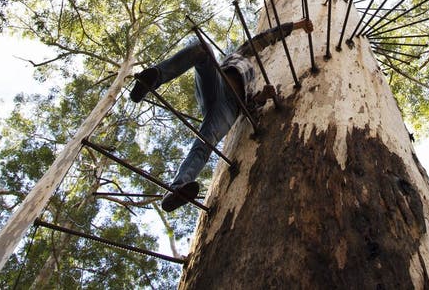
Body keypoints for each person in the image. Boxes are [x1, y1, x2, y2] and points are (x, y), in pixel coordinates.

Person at [130, 18, 313, 211]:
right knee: (202, 48)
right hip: (217, 82)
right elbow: (265, 38)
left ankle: (176, 190)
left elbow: (249, 111)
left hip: (231, 107)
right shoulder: (241, 54)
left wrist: (262, 97)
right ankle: (152, 78)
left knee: (204, 145)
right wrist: (296, 25)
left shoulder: (252, 85)